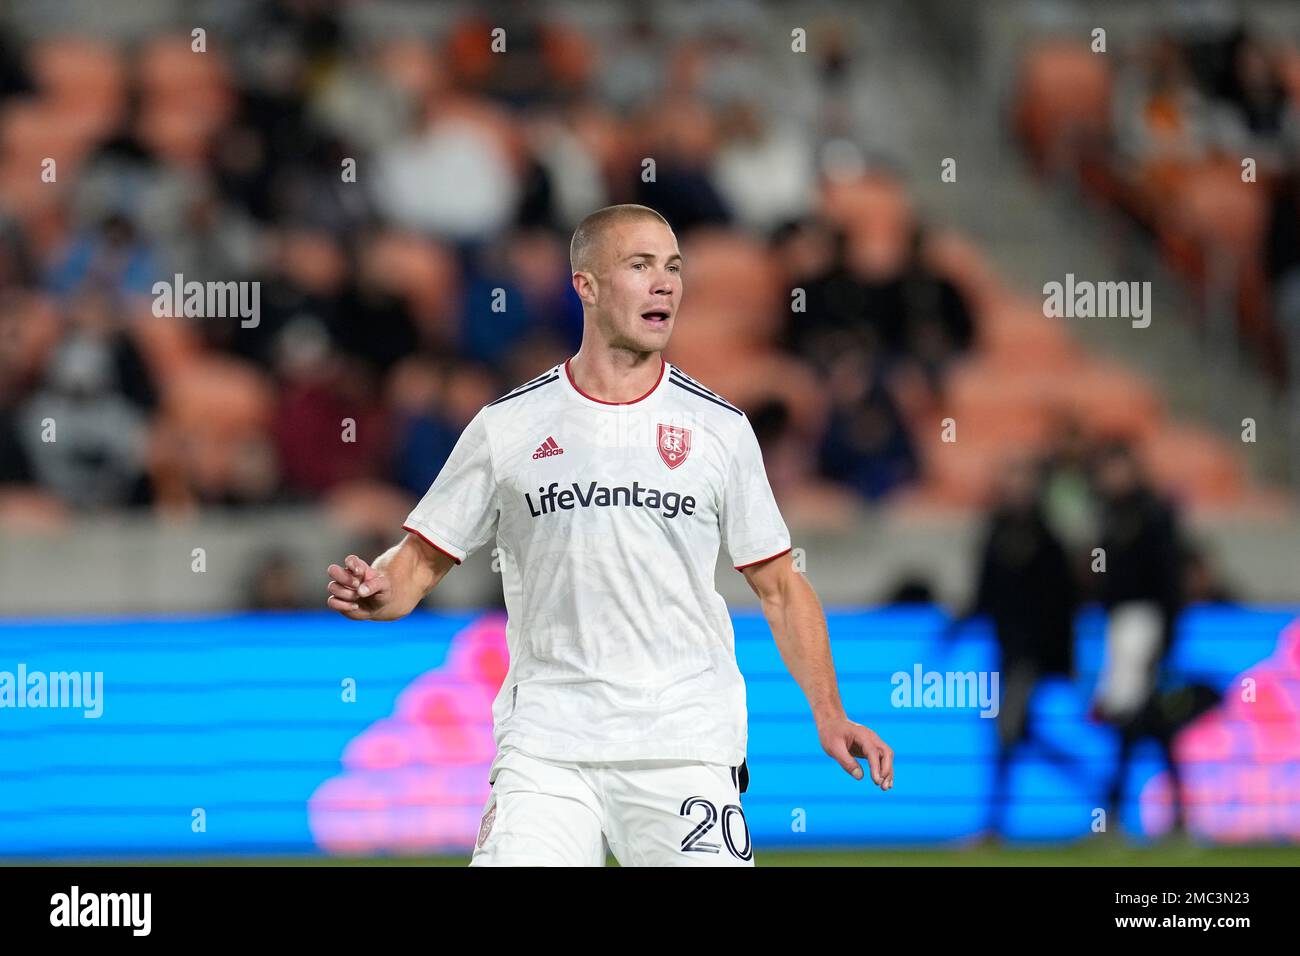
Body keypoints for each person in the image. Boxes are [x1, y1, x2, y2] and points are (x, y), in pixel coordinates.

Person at [325, 203, 894, 866]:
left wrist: (829, 710)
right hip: (548, 748)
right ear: (586, 285)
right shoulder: (507, 426)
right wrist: (379, 587)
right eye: (641, 265)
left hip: (683, 744)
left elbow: (779, 587)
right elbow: (418, 564)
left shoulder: (720, 431)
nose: (666, 283)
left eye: (674, 268)